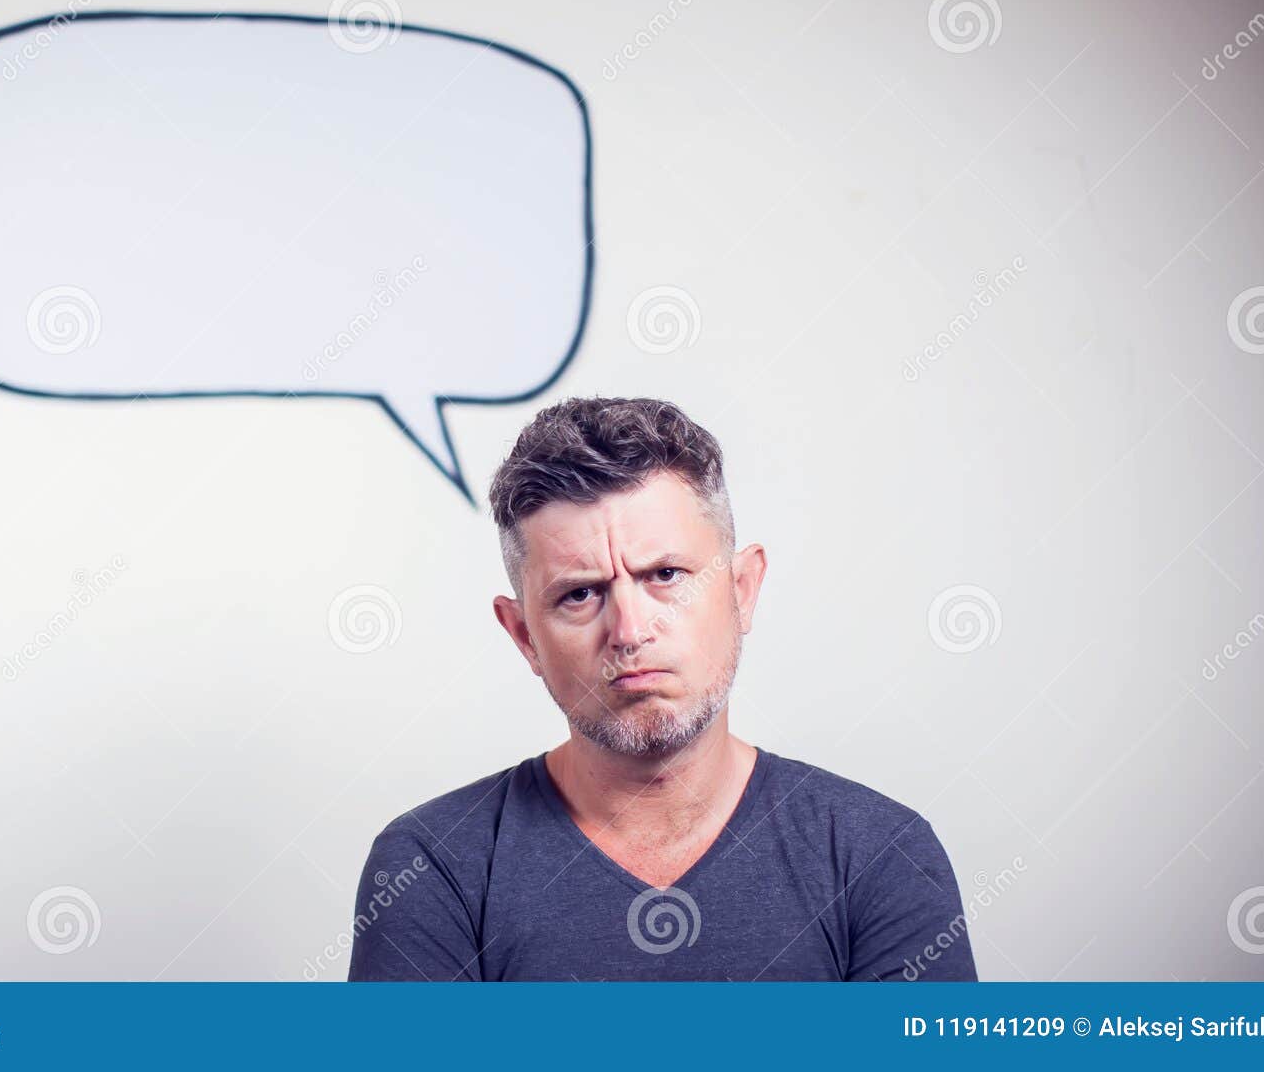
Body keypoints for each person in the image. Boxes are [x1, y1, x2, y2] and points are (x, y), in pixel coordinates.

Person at [347, 396, 977, 980]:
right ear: (524, 636)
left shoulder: (879, 855)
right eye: (579, 594)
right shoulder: (433, 866)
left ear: (742, 590)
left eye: (667, 575)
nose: (629, 631)